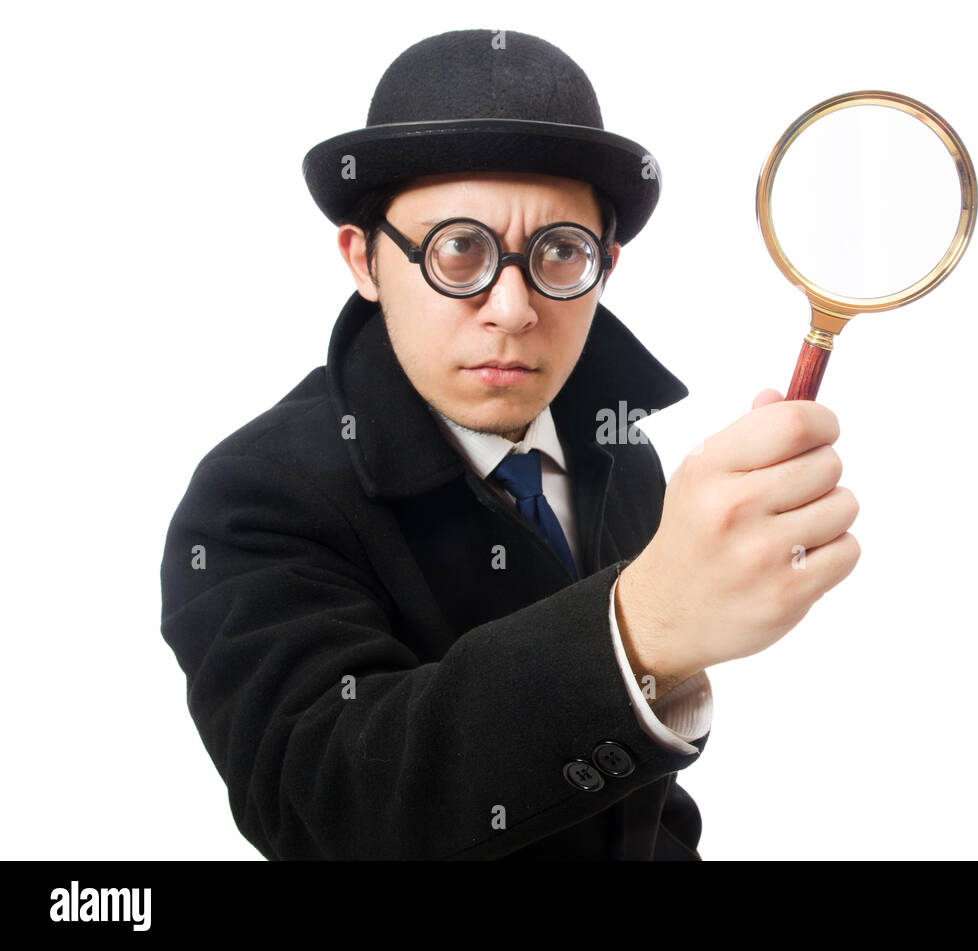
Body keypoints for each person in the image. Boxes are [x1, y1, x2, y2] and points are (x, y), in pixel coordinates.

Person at [159, 28, 859, 860]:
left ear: (606, 264)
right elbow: (329, 805)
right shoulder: (250, 498)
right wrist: (639, 626)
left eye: (560, 252)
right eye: (460, 248)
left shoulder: (617, 446)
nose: (513, 309)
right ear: (365, 259)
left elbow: (644, 803)